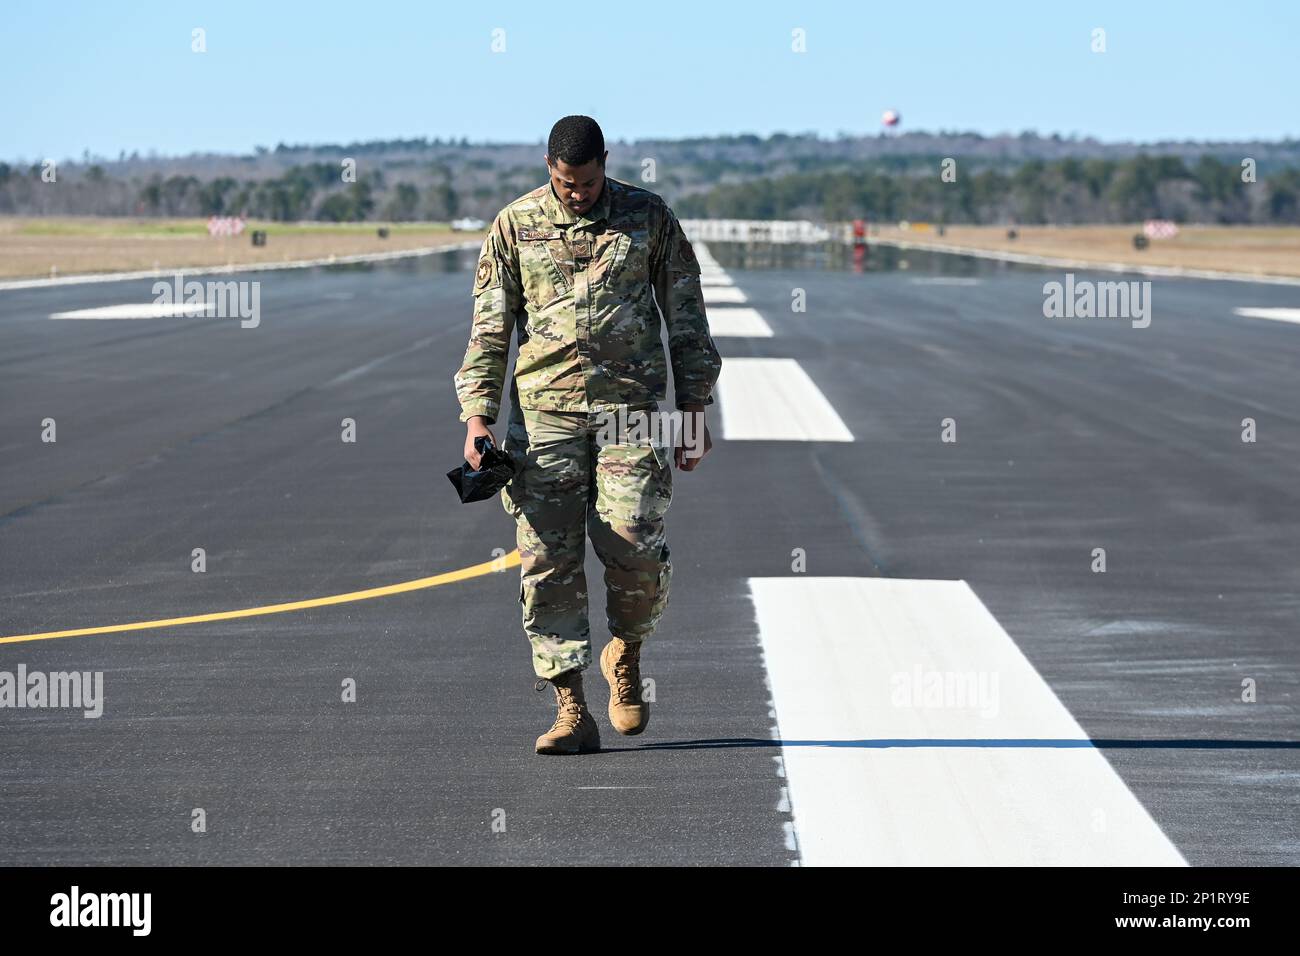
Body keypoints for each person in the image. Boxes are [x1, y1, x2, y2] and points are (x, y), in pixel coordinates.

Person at [454, 114, 721, 755]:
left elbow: (685, 312)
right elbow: (490, 329)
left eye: (589, 180)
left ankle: (624, 651)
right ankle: (571, 708)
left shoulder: (648, 217)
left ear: (606, 162)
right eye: (566, 183)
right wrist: (478, 418)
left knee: (633, 540)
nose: (578, 193)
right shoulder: (515, 226)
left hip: (633, 412)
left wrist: (694, 408)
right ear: (550, 169)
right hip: (543, 418)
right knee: (548, 559)